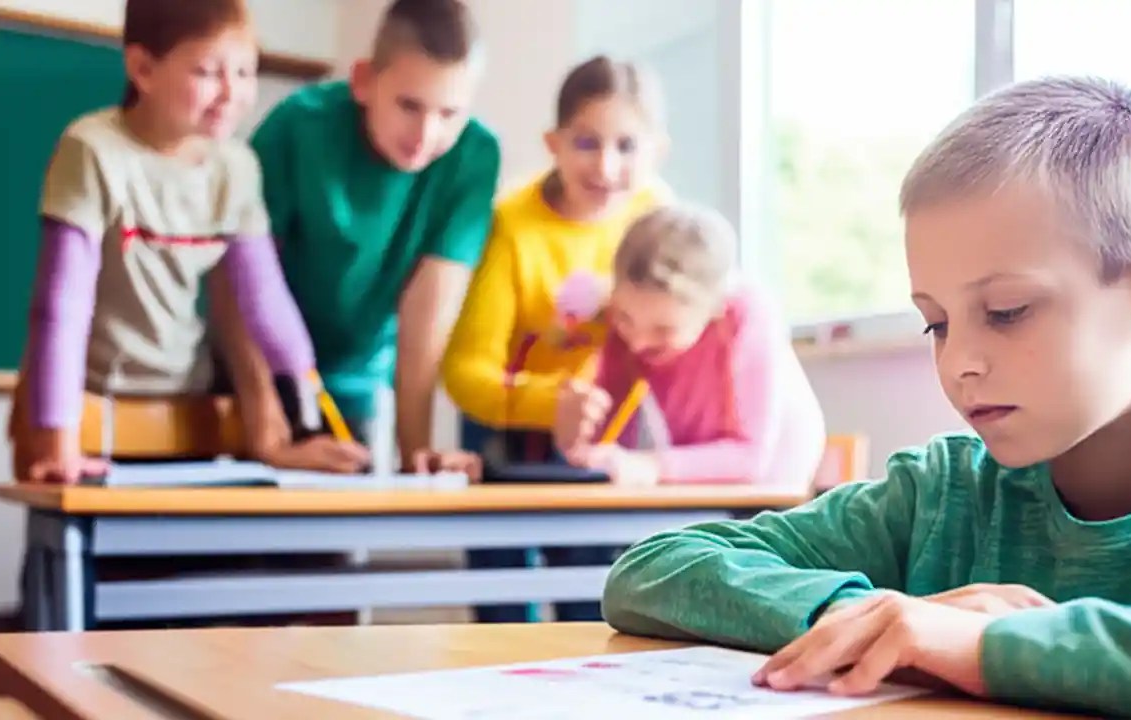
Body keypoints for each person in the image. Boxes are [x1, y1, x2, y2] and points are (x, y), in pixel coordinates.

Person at [601, 76, 1131, 718]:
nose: (957, 364)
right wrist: (868, 622)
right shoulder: (939, 495)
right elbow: (653, 570)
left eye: (1007, 310)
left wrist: (988, 647)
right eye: (936, 323)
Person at [11, 0, 326, 483]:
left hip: (184, 410)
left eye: (245, 71)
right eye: (207, 71)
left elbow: (265, 299)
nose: (232, 92)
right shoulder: (93, 149)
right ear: (142, 68)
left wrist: (309, 417)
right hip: (89, 409)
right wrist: (59, 444)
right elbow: (62, 306)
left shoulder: (236, 166)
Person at [216, 0, 496, 475]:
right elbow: (236, 280)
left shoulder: (475, 155)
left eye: (450, 112)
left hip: (359, 384)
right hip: (252, 373)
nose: (426, 134)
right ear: (364, 80)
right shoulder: (297, 126)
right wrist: (261, 413)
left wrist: (417, 454)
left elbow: (427, 316)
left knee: (343, 532)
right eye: (409, 106)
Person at [440, 54, 670, 622]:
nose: (607, 167)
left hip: (605, 429)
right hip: (508, 425)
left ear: (657, 150)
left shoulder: (657, 218)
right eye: (586, 143)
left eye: (627, 146)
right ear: (554, 142)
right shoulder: (514, 224)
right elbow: (466, 372)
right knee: (503, 600)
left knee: (594, 594)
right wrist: (551, 401)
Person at [554, 203, 825, 489]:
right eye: (624, 317)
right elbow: (603, 443)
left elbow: (751, 459)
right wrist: (574, 432)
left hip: (777, 476)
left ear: (713, 311)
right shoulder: (631, 313)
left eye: (663, 330)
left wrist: (652, 465)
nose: (637, 342)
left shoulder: (747, 315)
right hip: (701, 477)